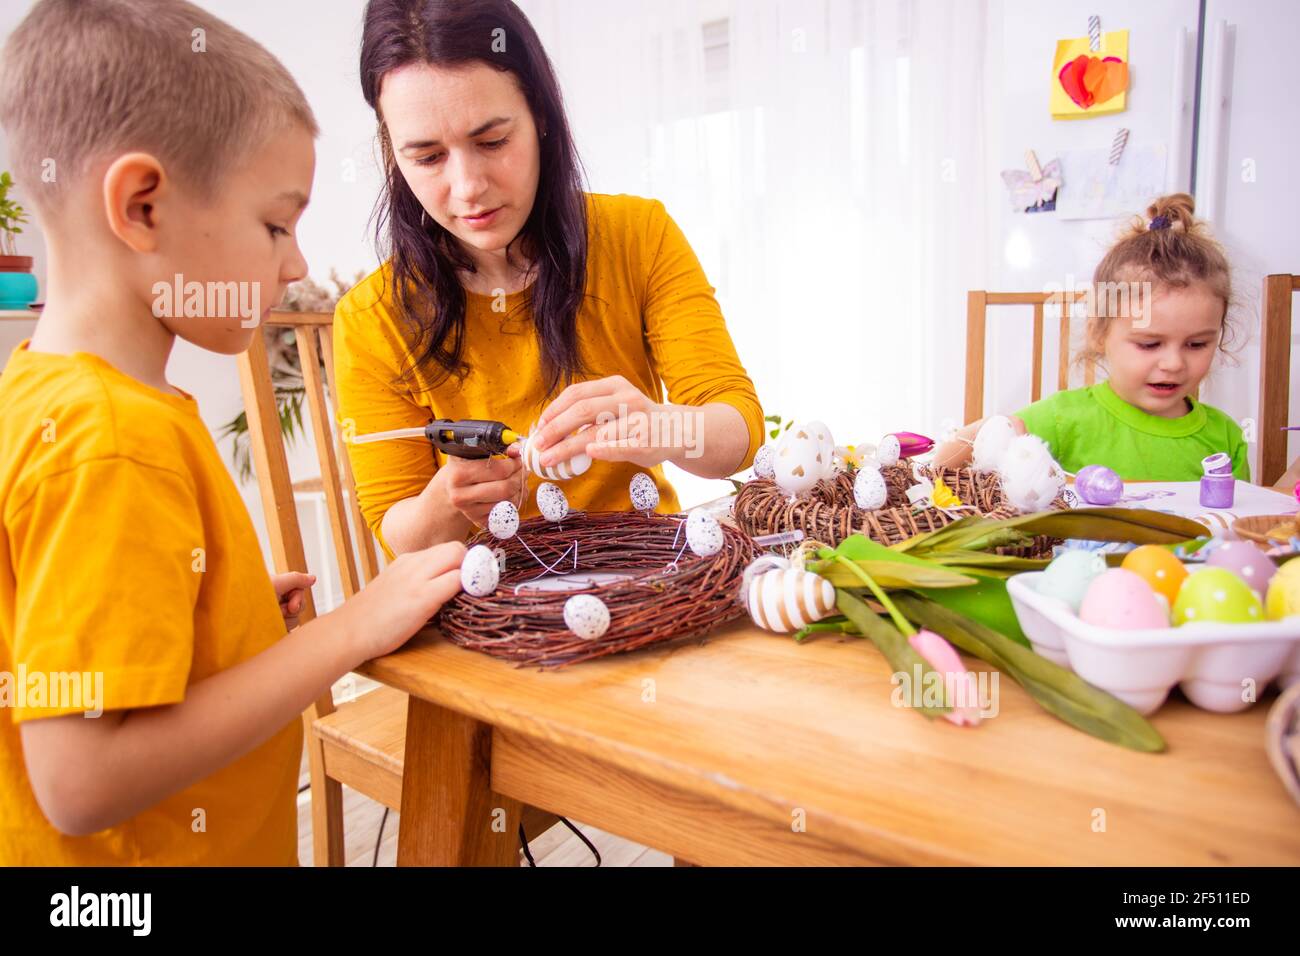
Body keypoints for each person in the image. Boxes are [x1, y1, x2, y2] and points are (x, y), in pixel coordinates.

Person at [0, 0, 465, 865]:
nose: (294, 262)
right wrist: (350, 630)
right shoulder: (110, 440)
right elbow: (81, 779)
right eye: (275, 224)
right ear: (142, 206)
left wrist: (235, 630)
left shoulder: (54, 396)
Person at [335, 0, 764, 558]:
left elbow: (740, 432)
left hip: (647, 574)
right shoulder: (372, 318)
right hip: (489, 612)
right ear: (392, 151)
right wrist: (449, 500)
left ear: (540, 113)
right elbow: (397, 532)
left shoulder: (638, 235)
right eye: (428, 157)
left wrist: (662, 427)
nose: (467, 187)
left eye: (492, 142)